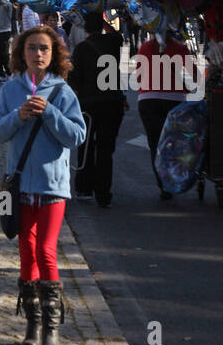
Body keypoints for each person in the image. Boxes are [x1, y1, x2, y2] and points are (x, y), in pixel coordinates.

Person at [0, 25, 86, 345]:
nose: (38, 54)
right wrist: (19, 115)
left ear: (54, 53)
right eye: (32, 48)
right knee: (25, 250)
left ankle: (52, 331)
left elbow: (77, 136)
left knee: (46, 250)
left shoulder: (63, 92)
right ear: (22, 52)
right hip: (17, 185)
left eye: (44, 48)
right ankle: (32, 325)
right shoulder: (11, 89)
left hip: (52, 187)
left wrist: (50, 113)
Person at [69, 11, 125, 206]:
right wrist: (103, 21)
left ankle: (84, 188)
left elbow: (74, 80)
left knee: (86, 147)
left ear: (84, 28)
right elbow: (115, 33)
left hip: (89, 103)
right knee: (106, 149)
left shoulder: (82, 48)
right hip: (113, 102)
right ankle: (103, 192)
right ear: (102, 25)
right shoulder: (114, 42)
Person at [135, 27, 196, 200]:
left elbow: (139, 77)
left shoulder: (145, 47)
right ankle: (172, 180)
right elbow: (193, 76)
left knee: (155, 144)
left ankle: (163, 185)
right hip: (175, 101)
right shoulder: (181, 48)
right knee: (173, 143)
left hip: (148, 99)